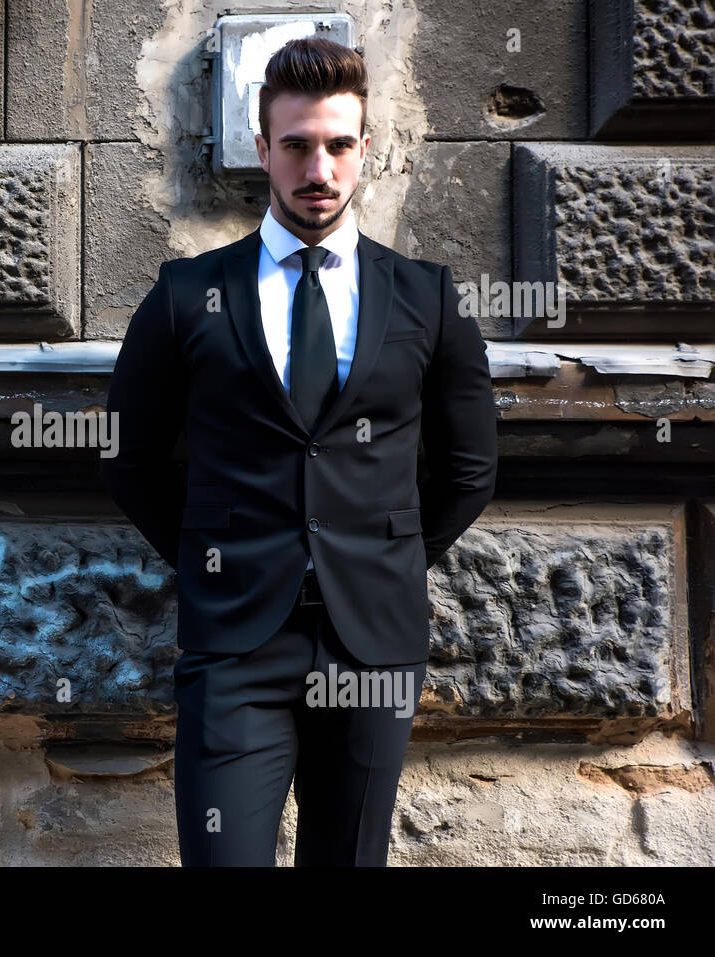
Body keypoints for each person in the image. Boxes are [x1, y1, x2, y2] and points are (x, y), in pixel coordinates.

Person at [99, 36, 497, 866]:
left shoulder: (426, 296)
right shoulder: (187, 296)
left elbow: (468, 469)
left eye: (339, 146)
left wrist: (384, 557)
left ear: (364, 148)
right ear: (262, 145)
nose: (319, 168)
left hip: (373, 645)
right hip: (237, 644)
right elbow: (128, 457)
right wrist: (214, 556)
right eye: (298, 145)